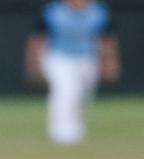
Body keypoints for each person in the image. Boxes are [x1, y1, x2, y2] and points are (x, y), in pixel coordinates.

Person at [26, 0, 119, 145]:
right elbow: (38, 39)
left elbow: (106, 39)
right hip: (59, 57)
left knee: (84, 95)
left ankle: (76, 129)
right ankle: (60, 132)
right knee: (66, 91)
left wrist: (109, 62)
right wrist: (34, 62)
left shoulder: (98, 12)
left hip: (87, 57)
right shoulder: (53, 11)